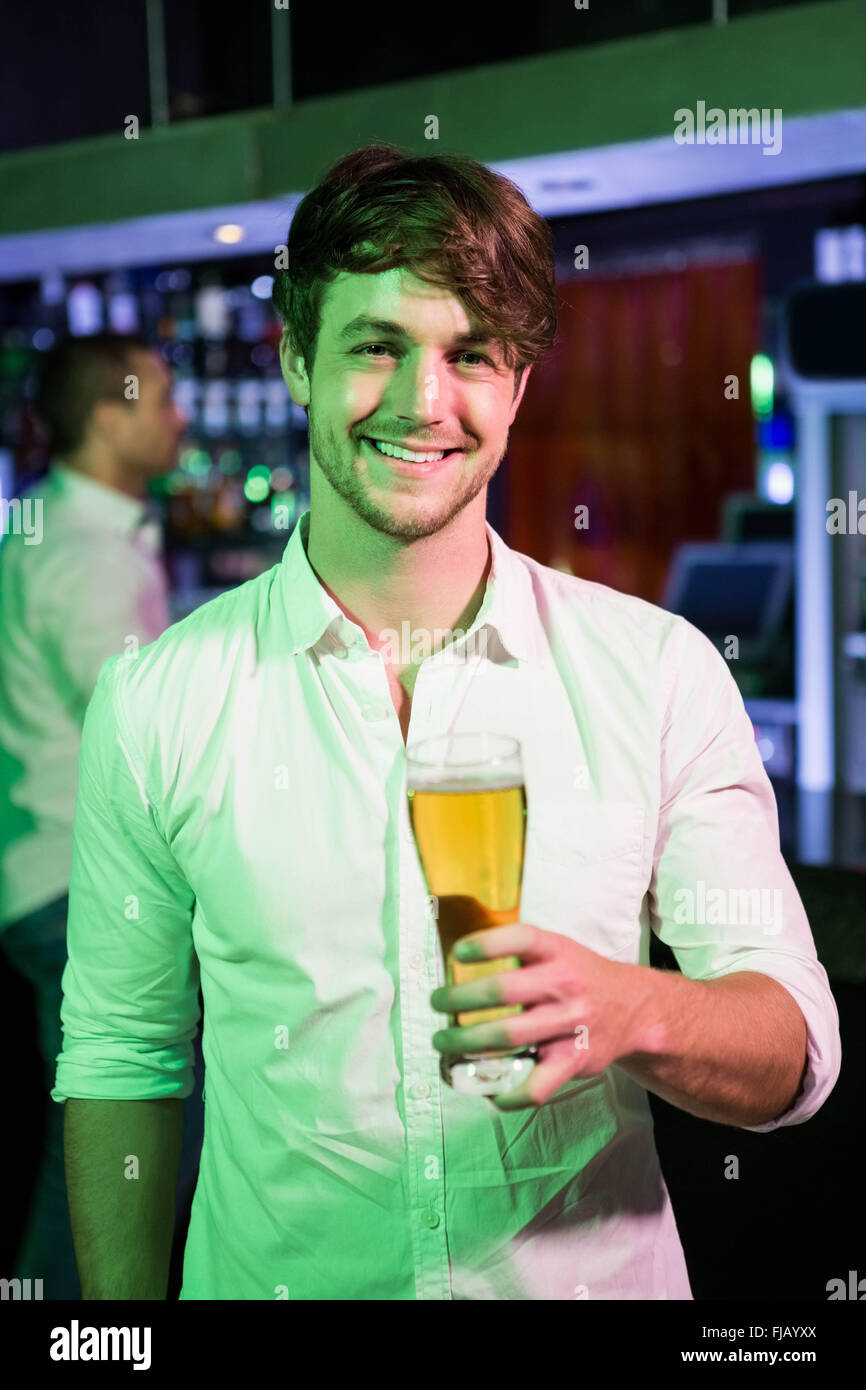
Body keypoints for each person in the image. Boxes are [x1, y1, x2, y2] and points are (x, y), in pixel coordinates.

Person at [51, 146, 840, 1301]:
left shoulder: (655, 672)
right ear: (295, 363)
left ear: (515, 387)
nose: (424, 401)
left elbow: (791, 1052)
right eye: (376, 345)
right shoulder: (159, 700)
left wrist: (634, 1008)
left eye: (469, 353)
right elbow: (123, 1056)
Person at [0, 332, 200, 1299]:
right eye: (163, 398)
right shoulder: (84, 556)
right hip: (85, 892)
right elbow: (150, 744)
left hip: (38, 878)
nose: (181, 418)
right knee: (130, 1153)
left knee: (108, 1146)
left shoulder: (43, 527)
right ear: (109, 415)